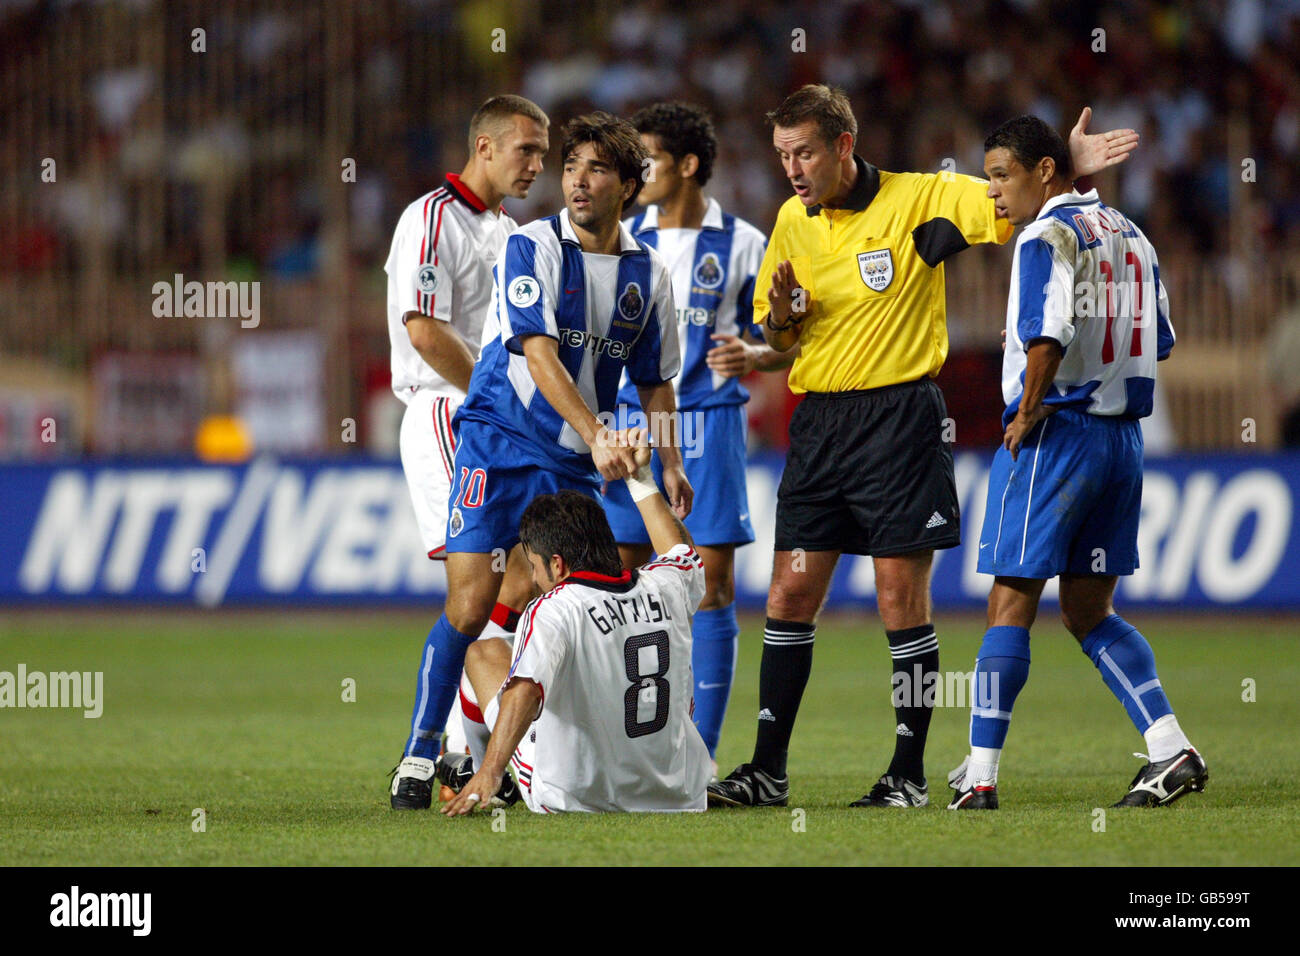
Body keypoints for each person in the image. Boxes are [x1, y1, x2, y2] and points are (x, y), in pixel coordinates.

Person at [708, 86, 1140, 809]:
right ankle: (766, 771)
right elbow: (781, 339)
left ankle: (905, 775)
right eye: (784, 155)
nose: (792, 168)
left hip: (901, 422)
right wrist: (780, 321)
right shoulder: (791, 221)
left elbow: (1016, 206)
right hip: (817, 424)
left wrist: (1067, 169)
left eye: (804, 152)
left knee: (898, 600)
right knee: (788, 592)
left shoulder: (923, 199)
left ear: (844, 145)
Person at [400, 110, 693, 807]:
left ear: (629, 183)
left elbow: (656, 381)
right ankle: (419, 751)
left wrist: (672, 461)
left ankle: (519, 761)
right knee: (471, 608)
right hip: (498, 441)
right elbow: (538, 354)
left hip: (569, 462)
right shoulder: (533, 246)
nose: (577, 181)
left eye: (595, 169)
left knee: (567, 601)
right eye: (570, 167)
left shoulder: (647, 275)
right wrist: (597, 432)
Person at [947, 115, 1206, 810]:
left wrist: (1029, 406)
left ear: (1044, 172)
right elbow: (1164, 339)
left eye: (1001, 174)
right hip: (1122, 444)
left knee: (1010, 601)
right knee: (1088, 610)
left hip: (1056, 437)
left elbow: (1048, 333)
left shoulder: (1045, 235)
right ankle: (1168, 747)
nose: (993, 190)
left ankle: (980, 773)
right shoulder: (1133, 234)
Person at [601, 102, 793, 767]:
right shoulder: (621, 236)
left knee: (709, 584)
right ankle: (624, 746)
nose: (637, 171)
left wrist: (759, 351)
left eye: (648, 158)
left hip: (708, 423)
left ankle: (700, 758)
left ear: (686, 165)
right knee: (619, 579)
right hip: (626, 425)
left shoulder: (744, 243)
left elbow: (782, 340)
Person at [387, 94, 551, 809]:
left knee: (521, 584)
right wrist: (492, 396)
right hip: (452, 415)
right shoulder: (430, 218)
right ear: (483, 147)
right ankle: (446, 755)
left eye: (544, 153)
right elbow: (423, 331)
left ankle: (461, 752)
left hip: (500, 422)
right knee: (479, 594)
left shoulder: (510, 231)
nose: (539, 165)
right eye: (527, 150)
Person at [441, 445, 713, 815]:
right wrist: (641, 478)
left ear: (557, 563)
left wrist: (491, 770)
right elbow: (680, 549)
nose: (534, 578)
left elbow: (525, 692)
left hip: (578, 796)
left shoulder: (553, 610)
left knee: (482, 652)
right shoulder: (667, 585)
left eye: (534, 566)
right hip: (679, 796)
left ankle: (481, 774)